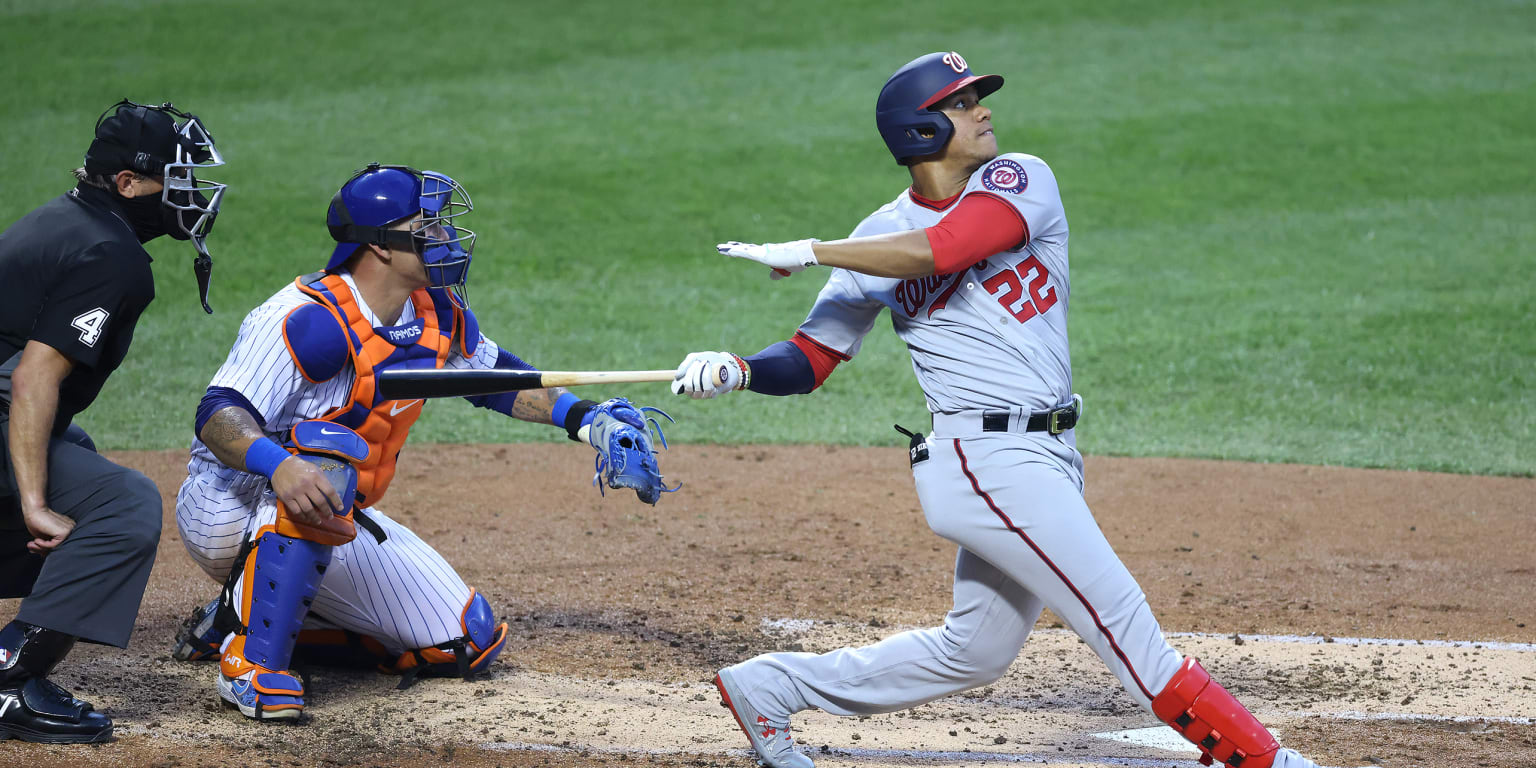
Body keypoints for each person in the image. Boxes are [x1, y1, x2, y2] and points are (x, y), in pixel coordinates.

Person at [673, 52, 1326, 768]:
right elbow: (810, 358)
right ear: (920, 131)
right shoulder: (875, 242)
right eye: (961, 103)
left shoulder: (1017, 180)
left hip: (1044, 454)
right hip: (987, 463)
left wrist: (813, 250)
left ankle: (770, 686)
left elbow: (948, 246)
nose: (982, 109)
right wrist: (737, 371)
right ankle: (1270, 763)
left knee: (973, 653)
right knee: (1125, 630)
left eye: (978, 97)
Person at [170, 163, 673, 721]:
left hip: (325, 513)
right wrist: (280, 464)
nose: (445, 239)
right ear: (381, 247)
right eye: (427, 229)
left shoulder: (432, 313)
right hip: (228, 504)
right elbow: (218, 415)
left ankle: (234, 617)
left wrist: (587, 419)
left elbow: (498, 382)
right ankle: (252, 664)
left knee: (464, 641)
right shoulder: (304, 319)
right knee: (326, 455)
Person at [0, 99, 226, 743]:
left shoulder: (64, 221)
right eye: (178, 181)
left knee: (77, 449)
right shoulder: (111, 254)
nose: (193, 195)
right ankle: (11, 677)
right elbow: (32, 377)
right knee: (122, 504)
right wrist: (36, 501)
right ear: (128, 184)